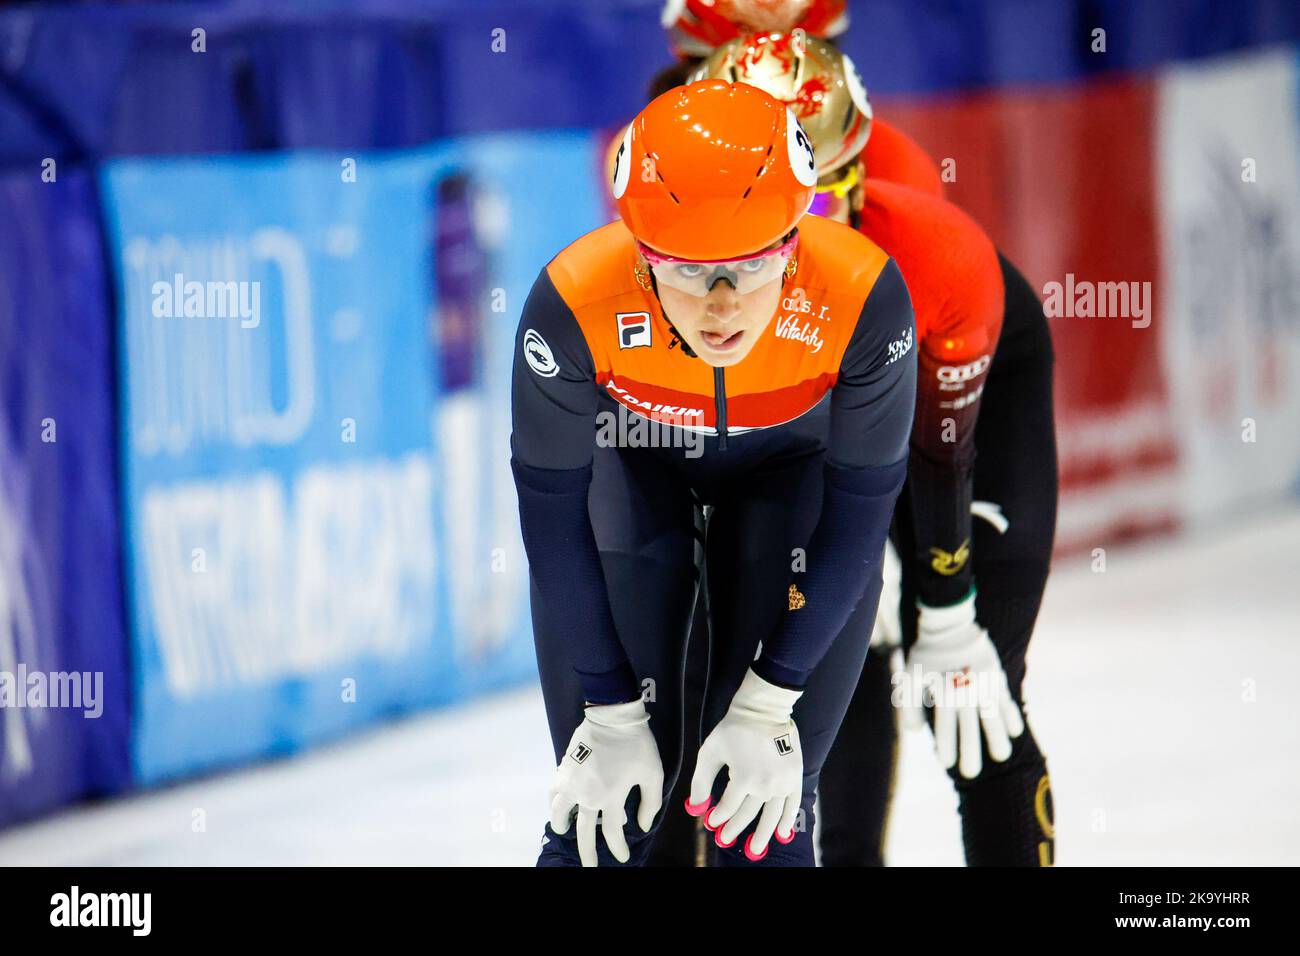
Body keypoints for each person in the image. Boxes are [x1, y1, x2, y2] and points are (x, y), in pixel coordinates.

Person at [512, 79, 917, 866]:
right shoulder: (574, 300)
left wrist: (770, 699)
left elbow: (860, 518)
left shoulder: (861, 294)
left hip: (790, 477)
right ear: (641, 253)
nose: (724, 305)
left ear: (796, 239)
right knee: (604, 822)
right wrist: (611, 711)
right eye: (690, 271)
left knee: (761, 820)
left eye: (756, 264)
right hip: (633, 464)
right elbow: (553, 523)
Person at [690, 31, 1060, 867]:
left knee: (974, 696)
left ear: (859, 179)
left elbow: (941, 449)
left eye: (817, 210)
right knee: (810, 653)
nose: (791, 249)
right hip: (828, 428)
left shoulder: (931, 249)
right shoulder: (680, 279)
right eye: (754, 226)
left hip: (956, 409)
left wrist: (949, 605)